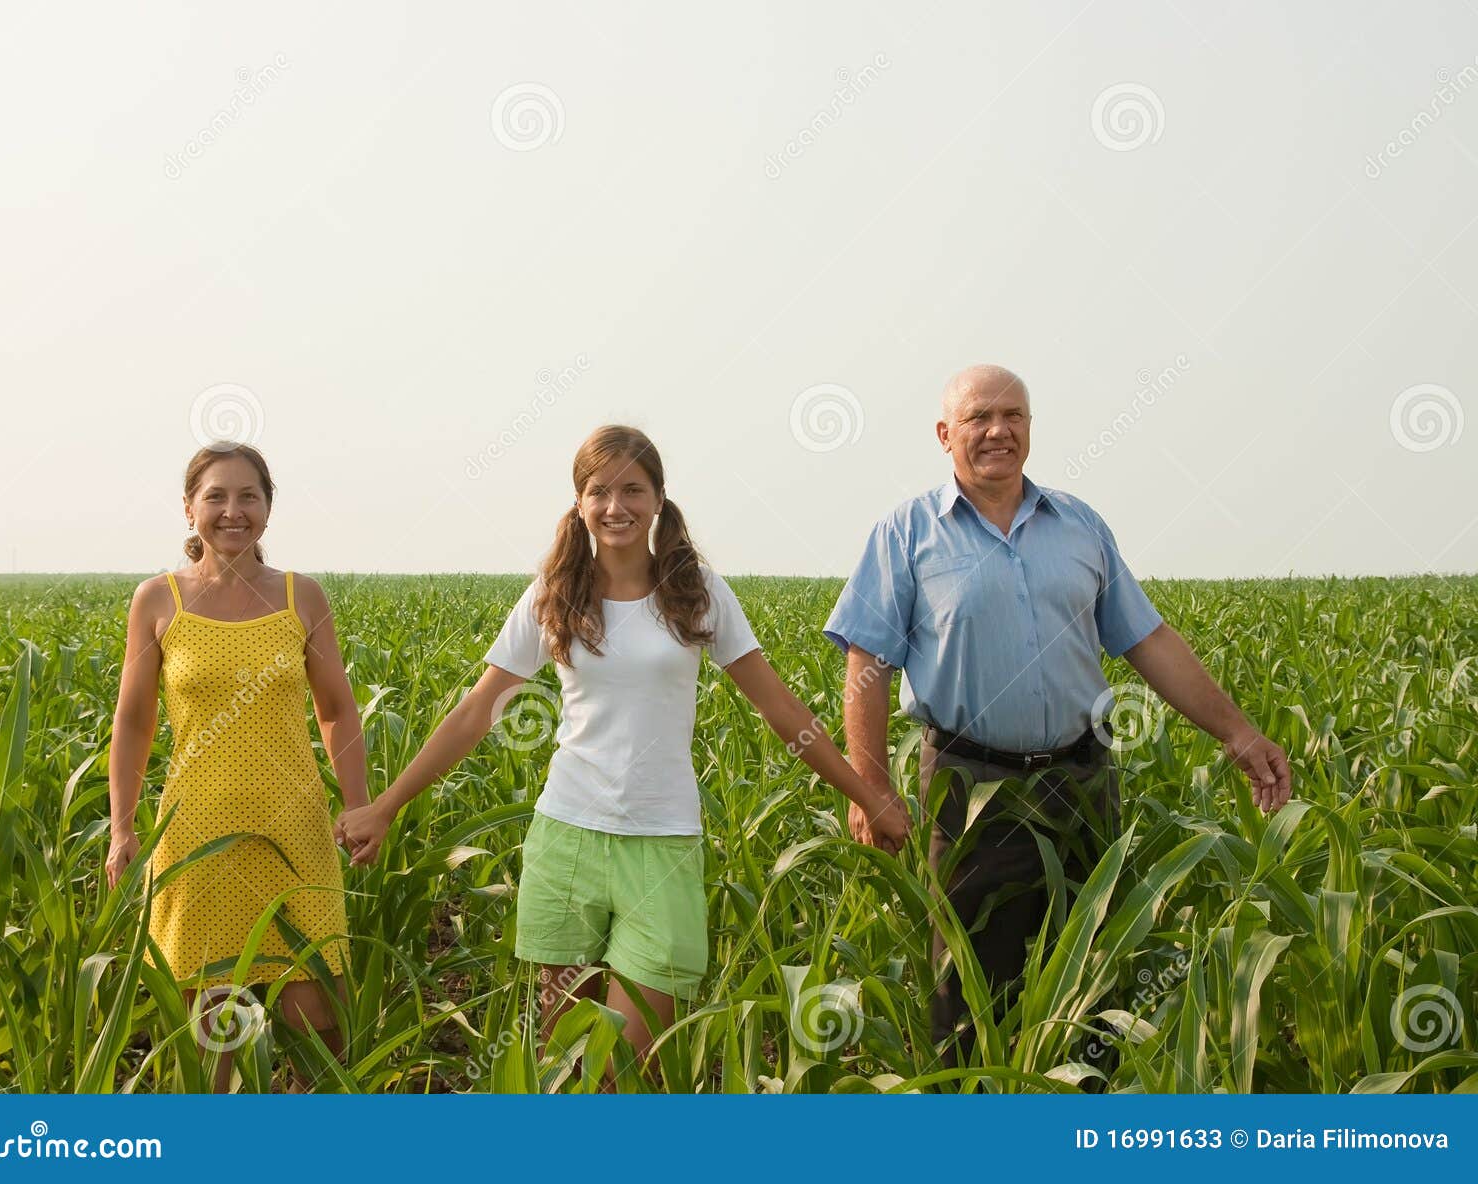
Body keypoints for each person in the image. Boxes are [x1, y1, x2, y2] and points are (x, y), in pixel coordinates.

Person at [335, 424, 911, 1085]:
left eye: (632, 489)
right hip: (568, 837)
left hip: (662, 844)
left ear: (659, 498)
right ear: (579, 502)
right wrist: (385, 806)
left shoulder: (696, 592)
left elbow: (779, 708)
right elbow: (474, 713)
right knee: (564, 1065)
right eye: (599, 490)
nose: (616, 506)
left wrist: (868, 796)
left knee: (631, 1070)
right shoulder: (553, 594)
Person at [825, 364, 1292, 1065]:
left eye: (1013, 416)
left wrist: (1238, 731)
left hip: (1081, 779)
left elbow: (1148, 640)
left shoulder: (1078, 525)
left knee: (1092, 981)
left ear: (1031, 429)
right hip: (969, 786)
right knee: (972, 989)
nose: (997, 431)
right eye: (979, 418)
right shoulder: (906, 534)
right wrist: (868, 785)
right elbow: (866, 664)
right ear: (944, 434)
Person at [105, 442, 367, 1092]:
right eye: (216, 496)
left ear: (268, 508)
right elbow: (134, 723)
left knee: (318, 1033)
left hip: (296, 838)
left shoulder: (301, 597)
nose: (232, 511)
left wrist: (358, 803)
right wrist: (121, 827)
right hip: (197, 844)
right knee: (213, 1046)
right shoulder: (157, 601)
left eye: (248, 496)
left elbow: (336, 710)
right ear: (189, 508)